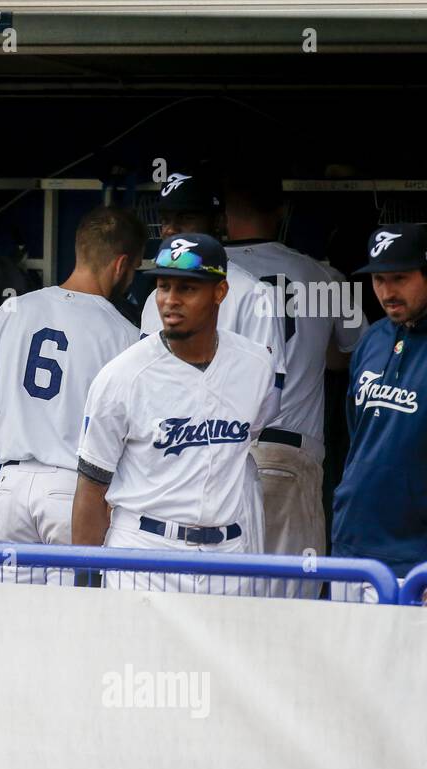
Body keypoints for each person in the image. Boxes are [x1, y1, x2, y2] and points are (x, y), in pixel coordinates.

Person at [71, 234, 283, 594]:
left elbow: (251, 433)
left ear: (220, 292)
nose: (170, 300)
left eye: (188, 288)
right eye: (163, 286)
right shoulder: (122, 376)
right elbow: (91, 489)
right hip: (144, 552)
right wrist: (86, 582)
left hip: (227, 554)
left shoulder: (256, 365)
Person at [0, 206, 145, 584]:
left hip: (10, 488)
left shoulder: (13, 309)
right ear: (121, 264)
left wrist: (21, 433)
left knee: (11, 624)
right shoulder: (125, 334)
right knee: (71, 623)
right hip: (74, 491)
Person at [331, 225, 427, 615]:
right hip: (354, 548)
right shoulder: (374, 338)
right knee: (353, 674)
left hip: (422, 559)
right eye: (379, 280)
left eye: (399, 278)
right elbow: (359, 437)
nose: (387, 292)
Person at [224, 170, 366, 595]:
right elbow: (357, 353)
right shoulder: (325, 276)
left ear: (224, 215)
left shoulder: (204, 279)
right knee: (289, 602)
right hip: (289, 447)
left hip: (218, 449)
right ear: (280, 213)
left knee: (225, 596)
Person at [141, 167, 286, 556]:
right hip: (164, 471)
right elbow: (146, 388)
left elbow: (267, 398)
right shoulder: (151, 301)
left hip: (228, 469)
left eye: (185, 217)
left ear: (219, 222)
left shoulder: (253, 293)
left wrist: (210, 429)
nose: (172, 228)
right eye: (166, 218)